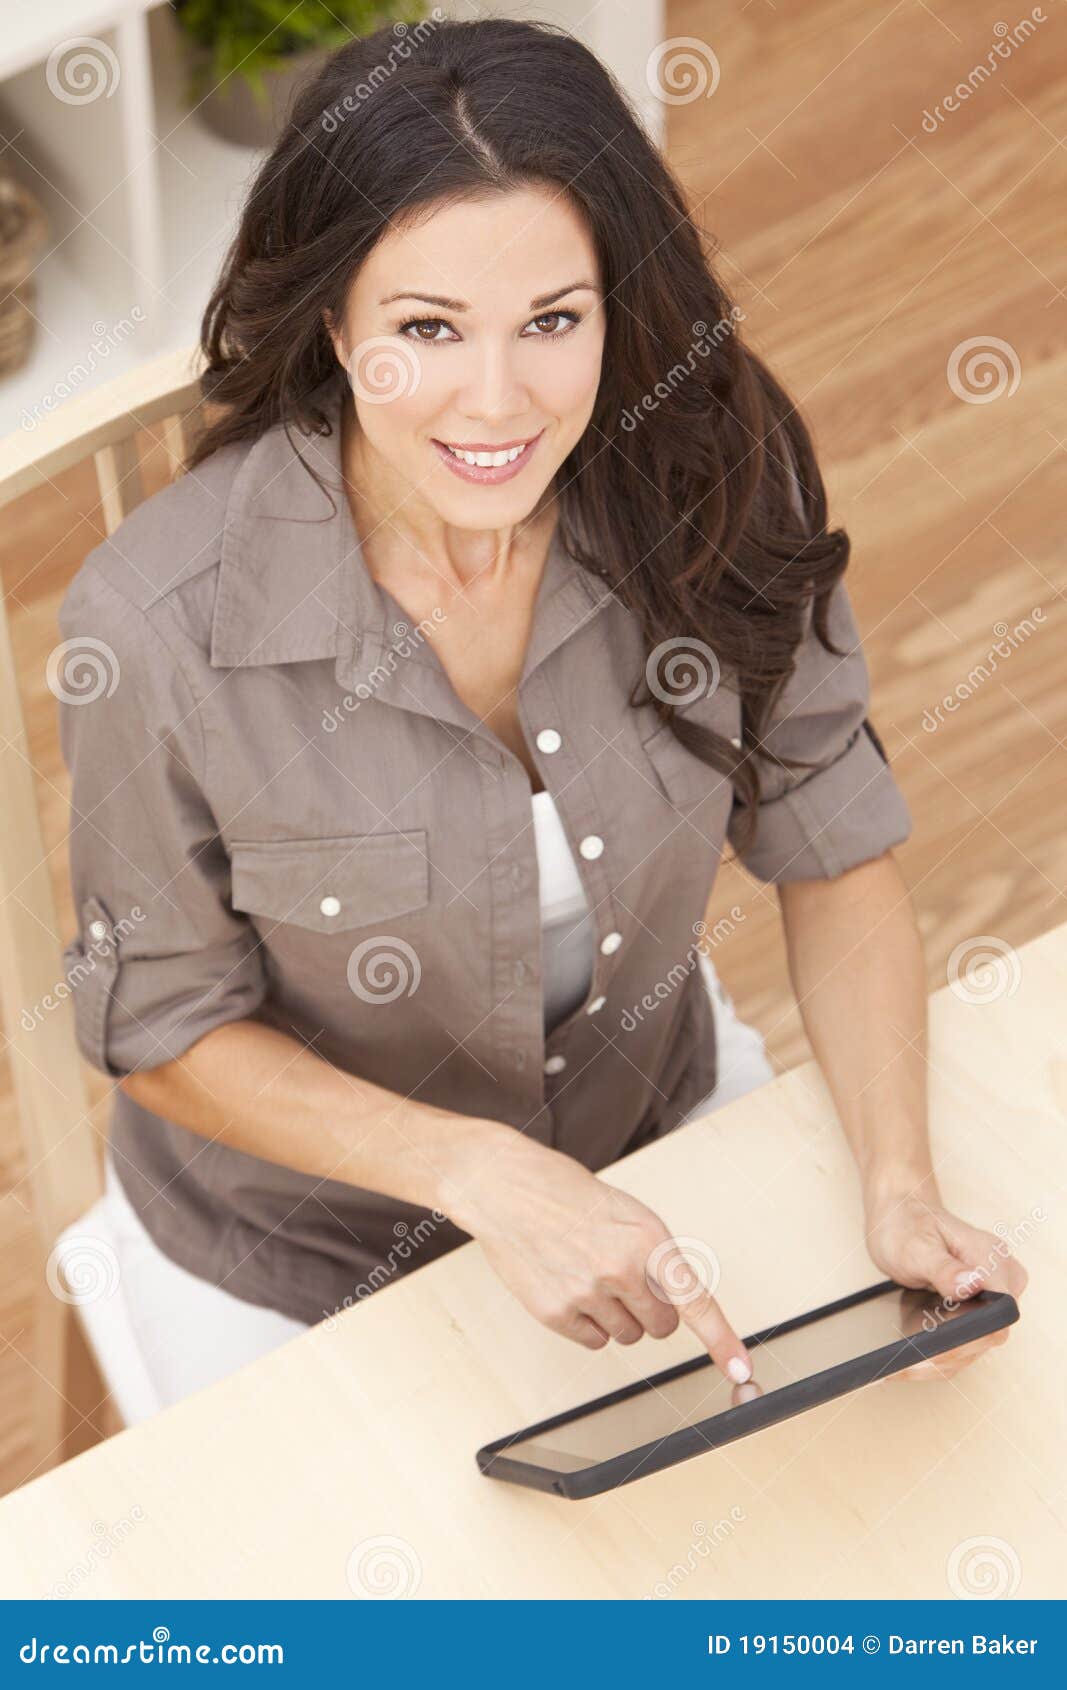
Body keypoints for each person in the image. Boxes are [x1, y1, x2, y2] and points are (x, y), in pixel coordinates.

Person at [55, 17, 1023, 1414]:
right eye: (427, 331)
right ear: (335, 324)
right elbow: (162, 1026)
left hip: (652, 1127)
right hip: (298, 1247)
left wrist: (899, 1182)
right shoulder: (150, 626)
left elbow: (831, 843)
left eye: (553, 322)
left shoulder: (717, 478)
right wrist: (476, 1171)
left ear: (618, 308)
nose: (497, 404)